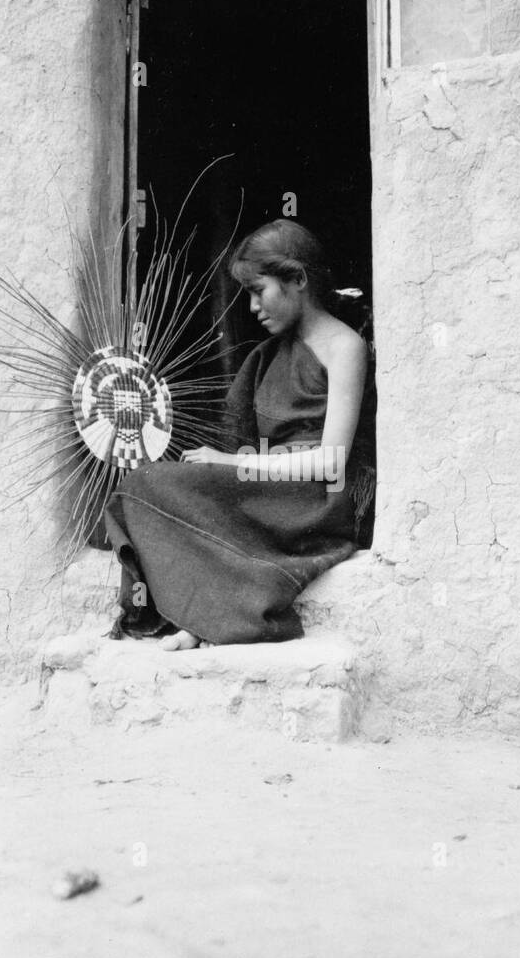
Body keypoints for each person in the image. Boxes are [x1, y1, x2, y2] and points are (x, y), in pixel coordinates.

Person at [103, 219, 376, 650]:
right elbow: (235, 439)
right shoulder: (266, 356)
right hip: (265, 483)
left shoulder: (345, 347)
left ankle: (212, 620)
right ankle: (203, 616)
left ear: (298, 280)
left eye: (258, 290)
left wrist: (233, 464)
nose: (252, 307)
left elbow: (331, 462)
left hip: (313, 495)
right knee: (142, 487)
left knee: (159, 487)